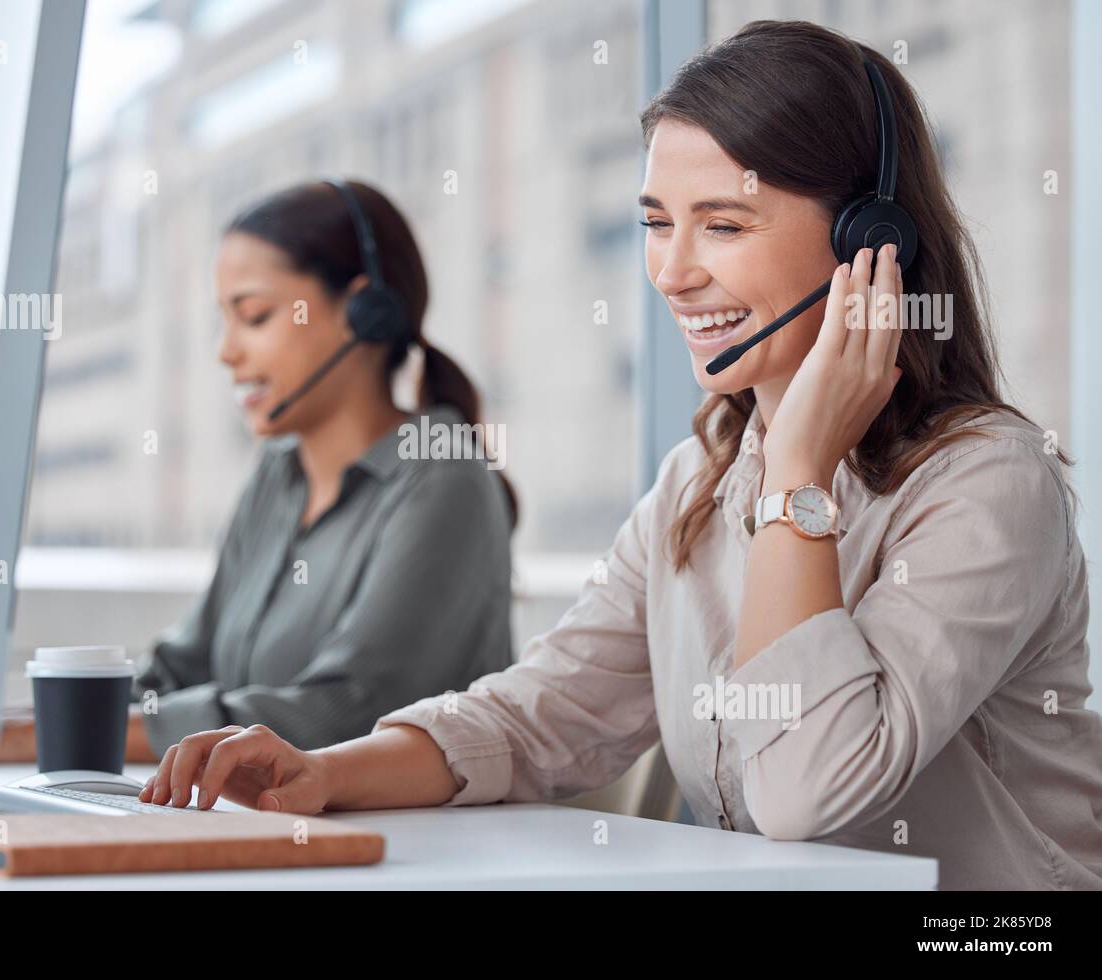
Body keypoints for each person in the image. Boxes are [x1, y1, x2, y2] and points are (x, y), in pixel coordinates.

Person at [137, 22, 1102, 890]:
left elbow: (807, 791)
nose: (672, 272)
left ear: (869, 240)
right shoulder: (700, 481)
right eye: (654, 222)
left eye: (722, 224)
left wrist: (800, 480)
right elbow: (543, 714)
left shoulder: (986, 482)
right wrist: (326, 771)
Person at [123, 177, 517, 757]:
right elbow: (183, 666)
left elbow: (349, 710)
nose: (225, 352)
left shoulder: (441, 474)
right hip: (269, 828)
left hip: (409, 842)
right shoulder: (278, 474)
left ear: (362, 313)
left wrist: (108, 735)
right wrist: (54, 718)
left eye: (254, 316)